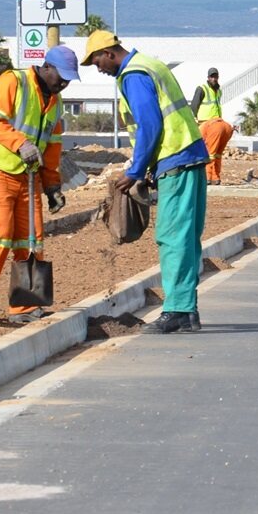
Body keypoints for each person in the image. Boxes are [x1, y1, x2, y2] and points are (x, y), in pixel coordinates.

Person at [81, 31, 208, 334]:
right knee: (187, 238)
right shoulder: (149, 64)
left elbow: (150, 124)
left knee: (172, 236)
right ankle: (187, 309)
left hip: (175, 157)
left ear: (110, 52)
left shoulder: (133, 75)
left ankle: (177, 309)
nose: (98, 68)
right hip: (188, 156)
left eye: (97, 61)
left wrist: (136, 171)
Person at [0, 44, 78, 323]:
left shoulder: (55, 103)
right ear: (46, 67)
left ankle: (24, 305)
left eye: (69, 79)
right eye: (61, 76)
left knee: (32, 239)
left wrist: (52, 186)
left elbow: (52, 149)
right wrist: (20, 143)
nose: (64, 83)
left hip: (29, 176)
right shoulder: (13, 81)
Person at [190, 66, 234, 185]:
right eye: (212, 76)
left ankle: (210, 178)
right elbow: (194, 106)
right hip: (207, 123)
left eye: (215, 76)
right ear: (208, 78)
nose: (214, 79)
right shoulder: (202, 89)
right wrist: (194, 121)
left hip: (216, 124)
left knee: (212, 153)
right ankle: (213, 177)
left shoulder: (218, 91)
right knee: (214, 153)